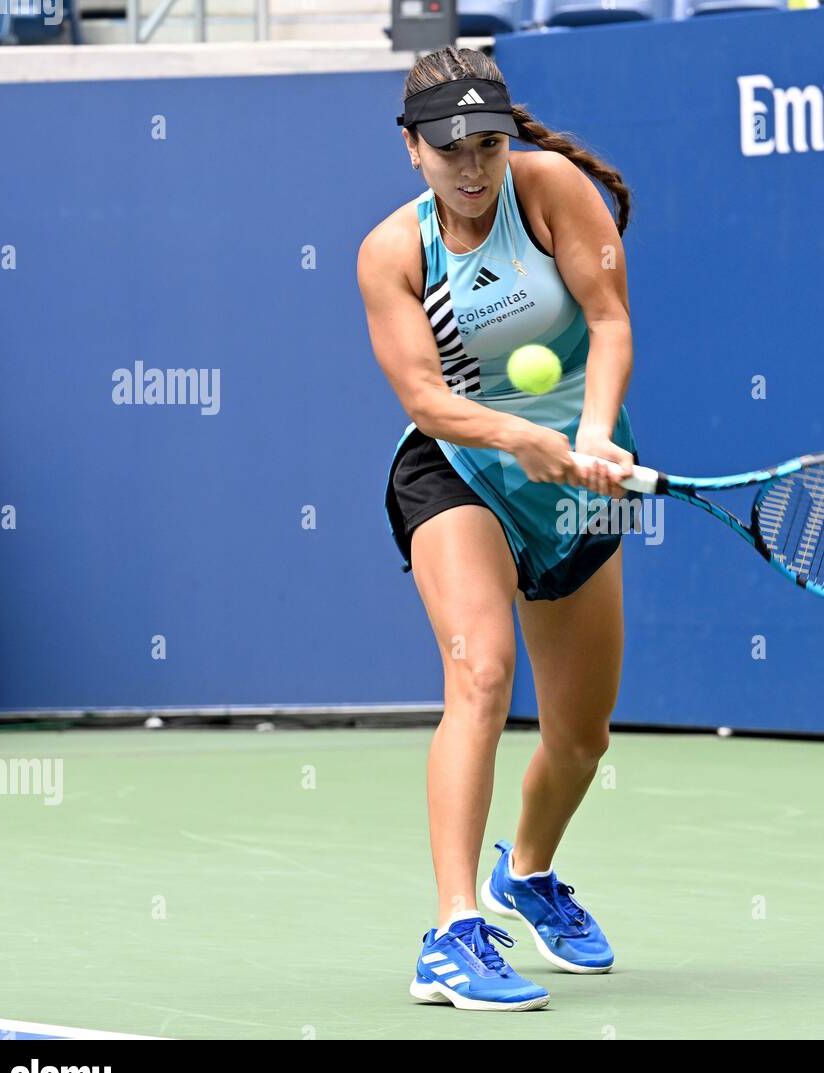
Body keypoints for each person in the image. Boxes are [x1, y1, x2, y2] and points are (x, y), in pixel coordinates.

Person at [358, 46, 640, 1011]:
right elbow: (427, 402)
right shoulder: (392, 253)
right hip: (457, 465)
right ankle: (453, 929)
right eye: (449, 151)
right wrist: (522, 434)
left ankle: (526, 872)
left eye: (487, 144)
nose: (471, 169)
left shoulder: (551, 188)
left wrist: (592, 434)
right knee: (480, 670)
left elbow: (608, 321)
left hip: (575, 475)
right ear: (412, 151)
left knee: (581, 737)